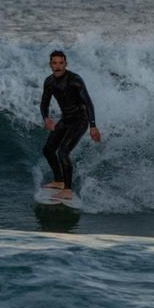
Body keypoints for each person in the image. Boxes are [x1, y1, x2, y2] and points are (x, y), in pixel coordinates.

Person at [40, 50, 101, 200]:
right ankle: (59, 181)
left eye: (61, 63)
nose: (58, 66)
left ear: (66, 64)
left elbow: (88, 103)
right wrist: (46, 118)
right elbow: (44, 103)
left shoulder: (75, 80)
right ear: (50, 65)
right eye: (55, 63)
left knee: (63, 152)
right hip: (66, 119)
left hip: (80, 120)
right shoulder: (49, 82)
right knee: (48, 150)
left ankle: (67, 190)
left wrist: (93, 126)